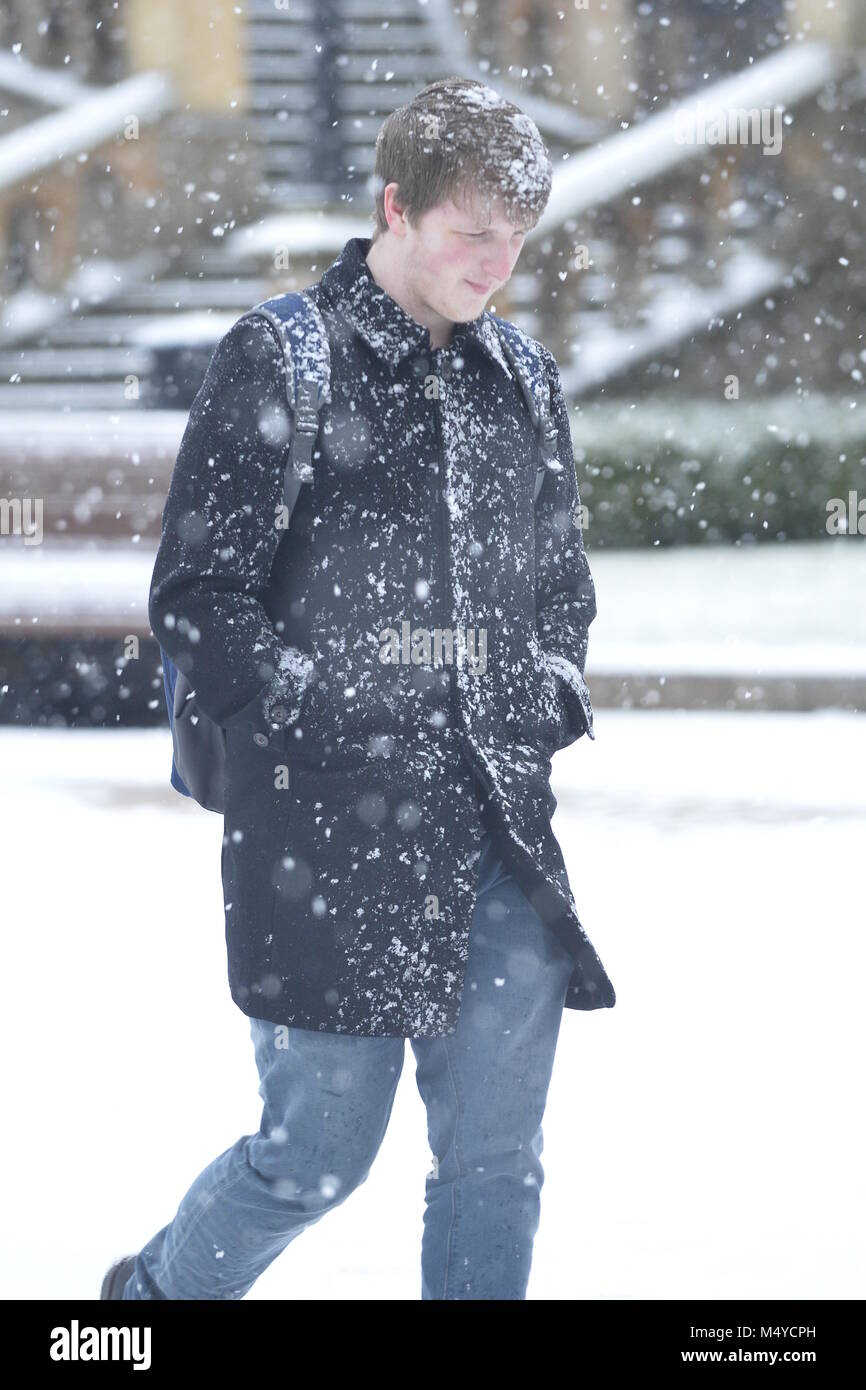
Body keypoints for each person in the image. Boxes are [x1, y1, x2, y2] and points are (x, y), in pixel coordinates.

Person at [102, 75, 614, 1303]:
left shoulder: (523, 381)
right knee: (315, 1157)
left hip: (497, 831)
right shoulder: (280, 358)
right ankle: (150, 1304)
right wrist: (314, 721)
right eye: (469, 233)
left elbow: (559, 587)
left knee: (493, 1162)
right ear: (395, 207)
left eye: (516, 238)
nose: (495, 263)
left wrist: (543, 696)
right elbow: (199, 596)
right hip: (324, 834)